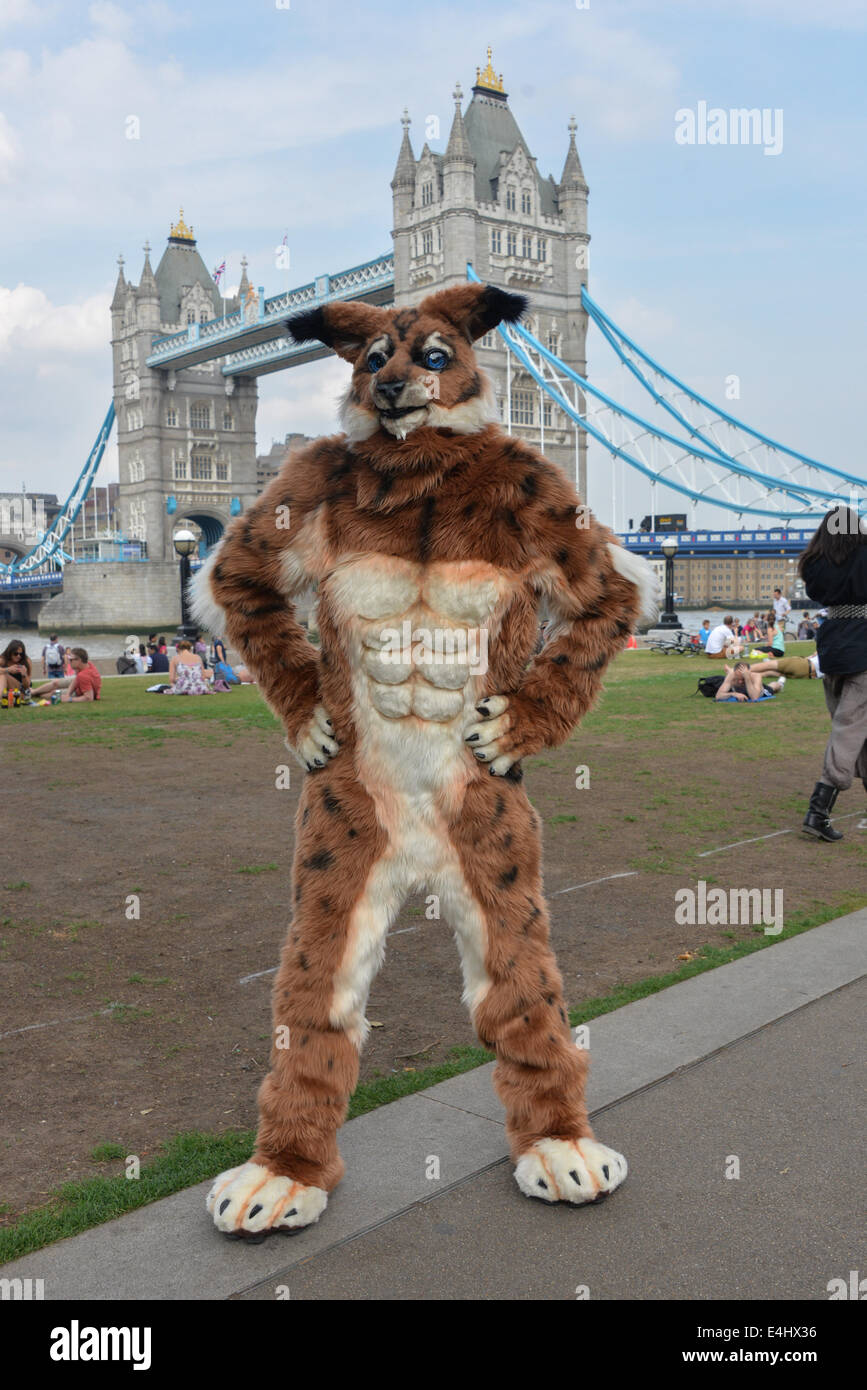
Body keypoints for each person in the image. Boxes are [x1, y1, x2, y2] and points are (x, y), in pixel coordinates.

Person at [799, 507, 867, 841]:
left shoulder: (814, 563)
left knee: (857, 726)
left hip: (833, 645)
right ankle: (818, 809)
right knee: (849, 727)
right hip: (864, 644)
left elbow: (815, 594)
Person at [31, 647, 102, 703]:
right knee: (55, 683)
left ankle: (33, 694)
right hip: (80, 684)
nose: (69, 662)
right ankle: (34, 692)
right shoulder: (87, 664)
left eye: (71, 660)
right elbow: (76, 679)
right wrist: (68, 693)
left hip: (80, 692)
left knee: (54, 693)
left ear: (79, 660)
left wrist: (69, 699)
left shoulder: (84, 675)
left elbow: (89, 698)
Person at [715, 661, 780, 702]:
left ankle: (780, 683)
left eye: (742, 679)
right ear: (734, 673)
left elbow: (754, 697)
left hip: (758, 690)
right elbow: (718, 696)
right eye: (738, 679)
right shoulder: (731, 676)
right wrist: (734, 694)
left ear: (749, 672)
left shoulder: (755, 676)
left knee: (773, 687)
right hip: (745, 689)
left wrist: (747, 678)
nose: (740, 681)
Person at [0, 640, 33, 706]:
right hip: (7, 690)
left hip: (20, 690)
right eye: (15, 653)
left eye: (21, 654)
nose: (18, 656)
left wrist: (24, 675)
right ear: (10, 652)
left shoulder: (26, 661)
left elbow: (27, 686)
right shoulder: (3, 660)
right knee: (3, 674)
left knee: (4, 675)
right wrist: (8, 669)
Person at [749, 652, 821, 681]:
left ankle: (740, 671)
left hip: (804, 664)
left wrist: (800, 658)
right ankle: (747, 676)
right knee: (769, 673)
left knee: (767, 665)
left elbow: (814, 654)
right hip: (808, 676)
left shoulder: (829, 649)